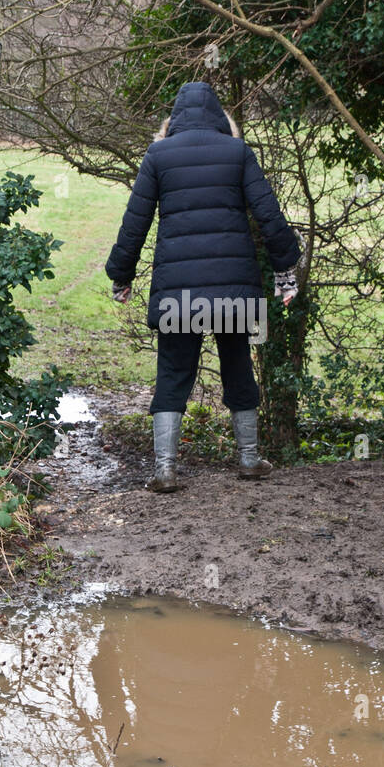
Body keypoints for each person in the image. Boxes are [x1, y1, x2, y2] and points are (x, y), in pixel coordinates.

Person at [106, 80, 301, 492]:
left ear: (172, 120)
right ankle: (249, 460)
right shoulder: (237, 152)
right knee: (237, 365)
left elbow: (135, 221)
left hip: (179, 292)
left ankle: (165, 470)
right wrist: (286, 269)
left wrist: (121, 274)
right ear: (219, 117)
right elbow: (269, 214)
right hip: (234, 290)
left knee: (173, 372)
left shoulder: (158, 155)